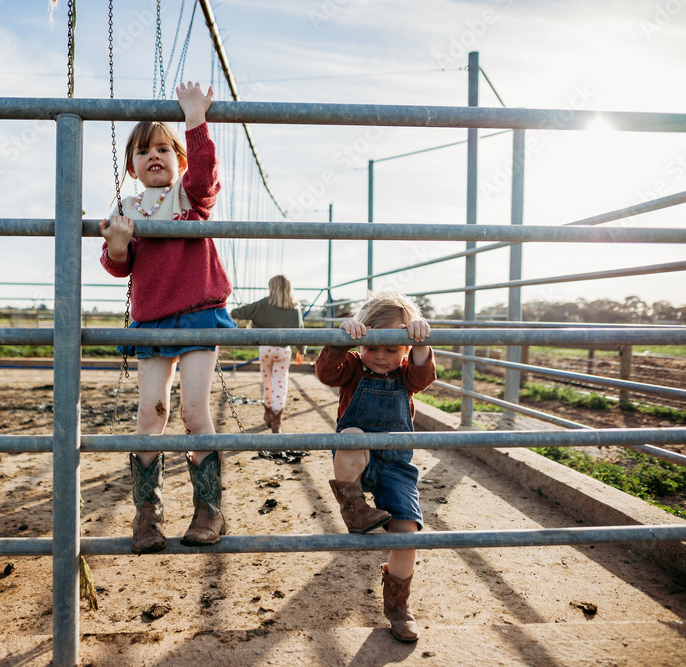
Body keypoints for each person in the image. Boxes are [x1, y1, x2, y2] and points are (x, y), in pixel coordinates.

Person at [99, 82, 234, 554]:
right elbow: (118, 265)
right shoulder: (126, 208)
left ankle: (208, 508)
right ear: (131, 166)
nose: (152, 155)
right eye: (142, 151)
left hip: (199, 315)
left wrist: (195, 119)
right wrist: (118, 244)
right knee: (150, 415)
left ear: (178, 158)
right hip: (153, 321)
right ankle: (147, 514)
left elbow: (205, 175)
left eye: (162, 148)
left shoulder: (190, 197)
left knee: (195, 412)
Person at [314, 289, 435, 642]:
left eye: (392, 348)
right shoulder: (352, 366)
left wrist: (421, 344)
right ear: (361, 344)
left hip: (396, 465)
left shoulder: (406, 375)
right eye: (371, 346)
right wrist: (341, 340)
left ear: (404, 350)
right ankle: (353, 507)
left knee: (406, 532)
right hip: (356, 462)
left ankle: (398, 607)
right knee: (351, 434)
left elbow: (422, 378)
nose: (380, 357)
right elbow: (326, 372)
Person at [229, 274, 305, 433]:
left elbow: (239, 312)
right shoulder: (295, 307)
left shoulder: (264, 303)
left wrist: (234, 313)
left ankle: (268, 414)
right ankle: (277, 419)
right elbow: (300, 330)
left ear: (272, 288)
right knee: (280, 383)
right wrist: (301, 351)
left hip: (266, 349)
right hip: (283, 350)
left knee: (267, 382)